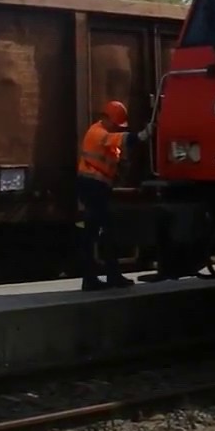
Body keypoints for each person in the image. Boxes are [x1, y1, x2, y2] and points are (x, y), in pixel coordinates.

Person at [76, 100, 153, 291]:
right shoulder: (98, 134)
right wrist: (144, 134)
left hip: (96, 187)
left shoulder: (102, 132)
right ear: (107, 119)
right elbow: (123, 140)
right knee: (106, 231)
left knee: (96, 232)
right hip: (92, 186)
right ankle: (109, 276)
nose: (117, 127)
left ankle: (96, 278)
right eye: (116, 123)